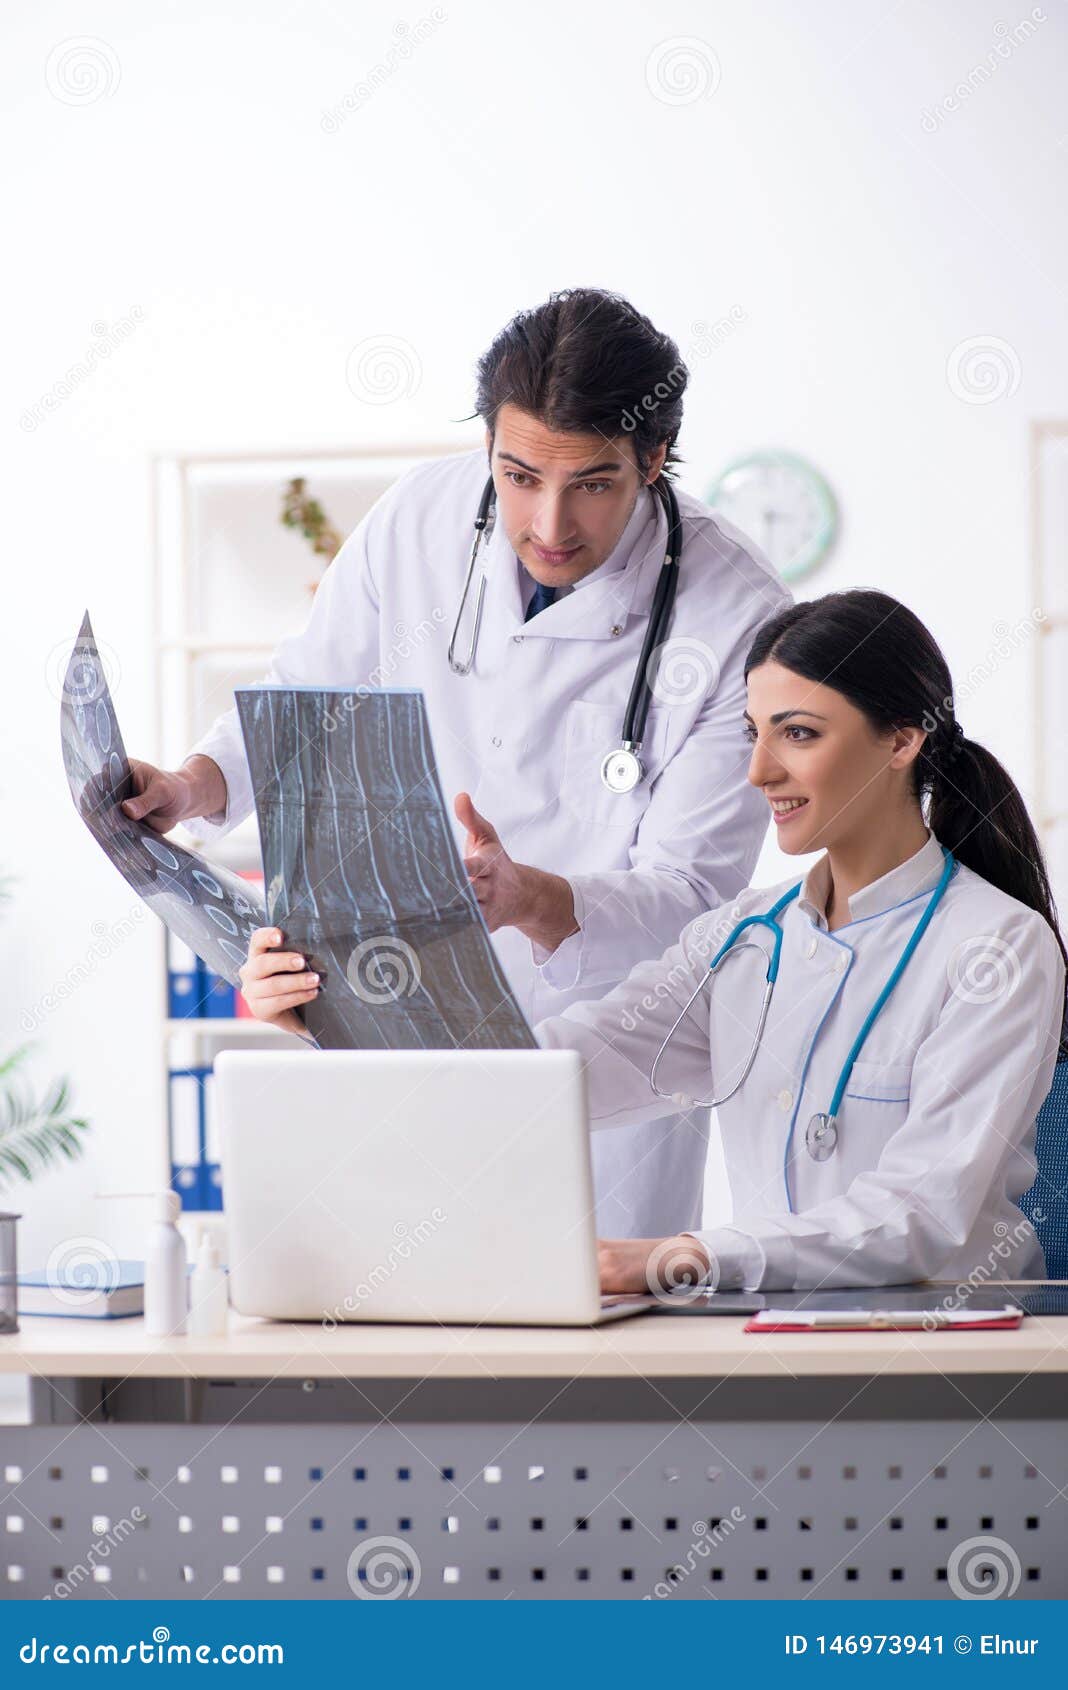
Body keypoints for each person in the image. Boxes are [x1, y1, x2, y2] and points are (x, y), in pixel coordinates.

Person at [120, 288, 789, 1239]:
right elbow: (311, 697)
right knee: (379, 1322)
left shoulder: (737, 615)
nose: (549, 521)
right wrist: (190, 786)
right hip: (397, 1011)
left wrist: (535, 899)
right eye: (518, 475)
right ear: (488, 447)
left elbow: (693, 899)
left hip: (603, 1074)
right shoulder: (423, 518)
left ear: (654, 459)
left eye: (592, 484)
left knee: (577, 1359)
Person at [528, 589, 1062, 1293]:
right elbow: (566, 1069)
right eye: (754, 733)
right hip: (772, 1337)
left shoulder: (997, 947)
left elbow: (923, 1216)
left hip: (951, 1352)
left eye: (799, 733)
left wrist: (686, 1255)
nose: (760, 771)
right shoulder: (741, 938)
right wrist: (356, 1013)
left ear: (903, 739)